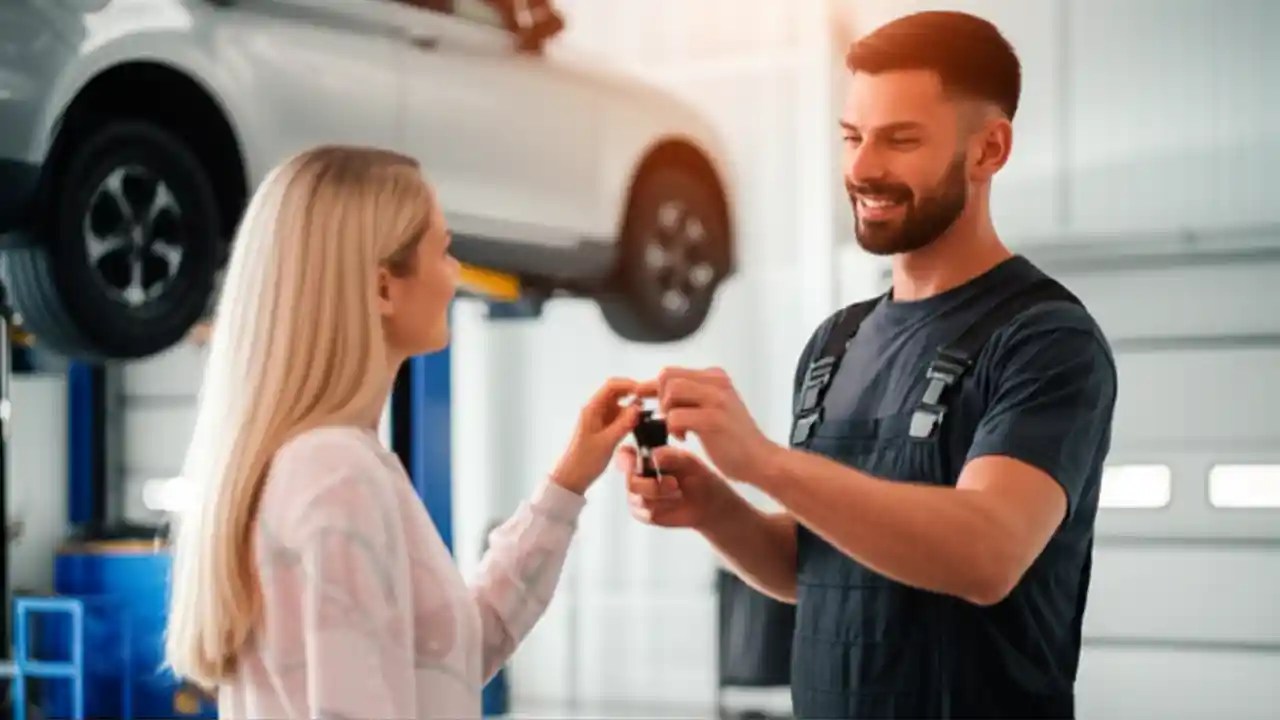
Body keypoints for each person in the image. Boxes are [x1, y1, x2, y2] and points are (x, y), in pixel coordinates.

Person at [621, 10, 1118, 719]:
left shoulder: (1044, 339)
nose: (861, 169)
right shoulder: (836, 343)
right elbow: (815, 566)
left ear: (989, 149)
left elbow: (986, 554)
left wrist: (764, 463)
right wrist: (715, 509)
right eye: (852, 137)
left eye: (900, 140)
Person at [163, 146, 643, 719]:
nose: (455, 274)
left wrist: (568, 484)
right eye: (443, 251)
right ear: (383, 288)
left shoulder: (323, 464)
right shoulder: (337, 474)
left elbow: (451, 658)